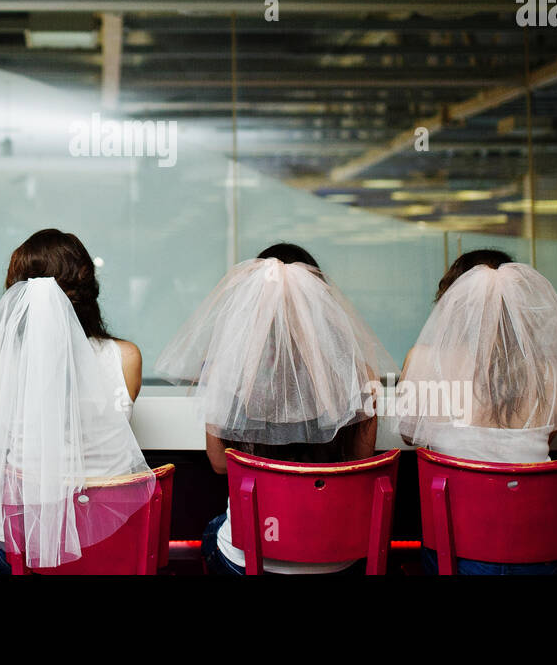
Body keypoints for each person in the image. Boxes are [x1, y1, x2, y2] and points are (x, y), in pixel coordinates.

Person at [159, 242, 394, 575]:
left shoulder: (228, 370)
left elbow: (219, 463)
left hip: (252, 554)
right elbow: (359, 459)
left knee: (213, 531)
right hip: (337, 554)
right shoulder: (360, 374)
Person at [0, 228, 149, 574]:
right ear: (88, 291)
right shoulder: (126, 358)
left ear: (17, 296)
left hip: (18, 550)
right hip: (105, 544)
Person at [399, 254, 557, 575]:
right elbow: (549, 433)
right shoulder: (548, 372)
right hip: (541, 549)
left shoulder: (423, 359)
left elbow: (409, 433)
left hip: (455, 554)